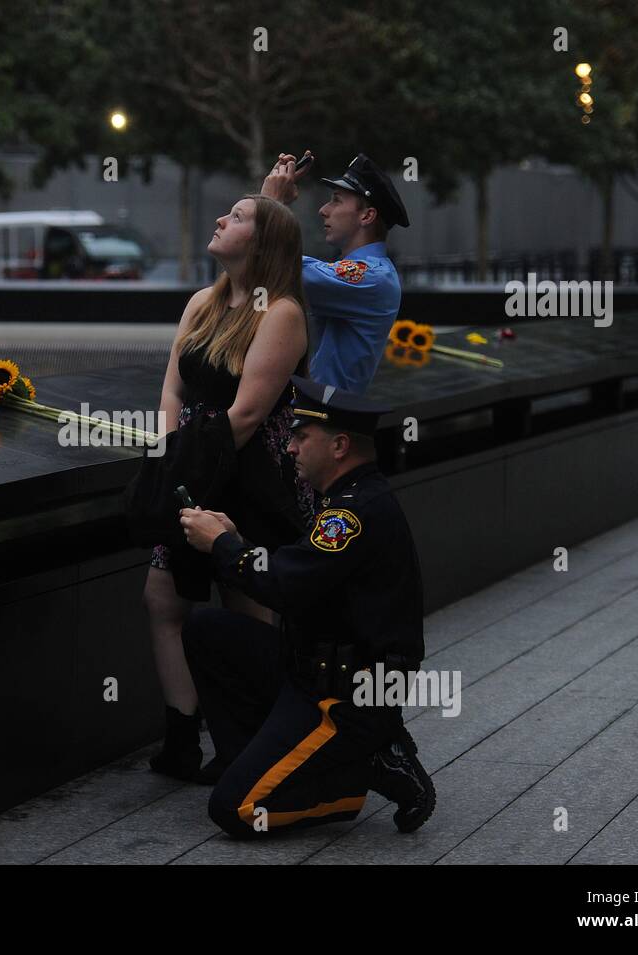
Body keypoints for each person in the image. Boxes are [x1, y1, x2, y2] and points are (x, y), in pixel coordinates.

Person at [177, 377, 436, 838]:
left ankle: (357, 776)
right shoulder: (345, 498)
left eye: (301, 436)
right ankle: (254, 760)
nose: (291, 447)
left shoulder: (350, 513)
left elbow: (284, 587)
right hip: (310, 670)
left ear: (339, 446)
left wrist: (221, 545)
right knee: (206, 628)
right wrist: (235, 540)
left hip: (347, 700)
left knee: (237, 810)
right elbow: (303, 572)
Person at [143, 194, 312, 781]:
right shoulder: (200, 303)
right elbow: (172, 392)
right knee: (163, 599)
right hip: (189, 472)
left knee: (246, 610)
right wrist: (171, 459)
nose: (220, 219)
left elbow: (246, 415)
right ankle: (181, 740)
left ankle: (250, 746)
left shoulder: (282, 313)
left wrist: (186, 474)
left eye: (238, 217)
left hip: (249, 481)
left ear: (263, 244)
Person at [261, 152, 409, 395]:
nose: (323, 210)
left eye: (336, 200)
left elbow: (275, 267)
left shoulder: (370, 276)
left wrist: (271, 202)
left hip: (321, 422)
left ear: (367, 216)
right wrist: (270, 203)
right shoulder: (364, 272)